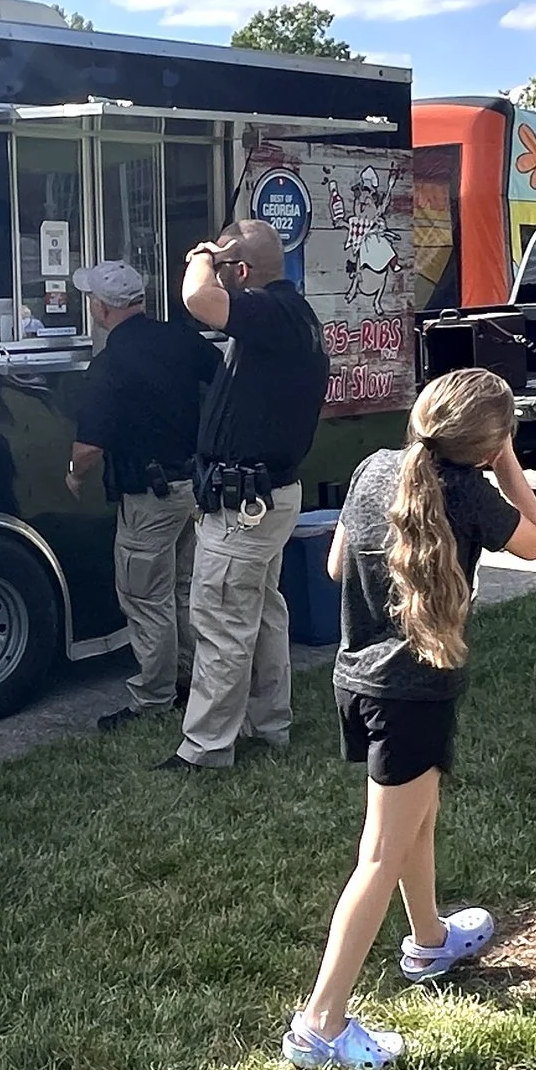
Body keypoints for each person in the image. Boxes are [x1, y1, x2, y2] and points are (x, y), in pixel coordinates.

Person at [284, 370, 536, 1070]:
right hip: (413, 696)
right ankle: (319, 1022)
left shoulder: (373, 467)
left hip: (358, 681)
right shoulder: (472, 493)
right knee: (379, 853)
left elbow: (339, 565)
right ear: (487, 443)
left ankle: (429, 939)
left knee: (417, 818)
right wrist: (508, 462)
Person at [159, 219, 329, 772]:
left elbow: (197, 299)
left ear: (241, 271)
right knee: (262, 614)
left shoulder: (270, 312)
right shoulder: (291, 314)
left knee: (223, 620)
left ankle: (206, 748)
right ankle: (268, 722)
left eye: (226, 268)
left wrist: (201, 254)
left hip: (245, 506)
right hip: (265, 497)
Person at [66, 260, 221, 732]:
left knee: (145, 597)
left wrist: (74, 475)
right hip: (194, 488)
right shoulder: (180, 338)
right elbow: (223, 379)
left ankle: (154, 697)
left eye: (91, 298)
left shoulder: (109, 363)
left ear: (102, 307)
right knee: (184, 589)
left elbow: (89, 447)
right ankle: (193, 679)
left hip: (148, 499)